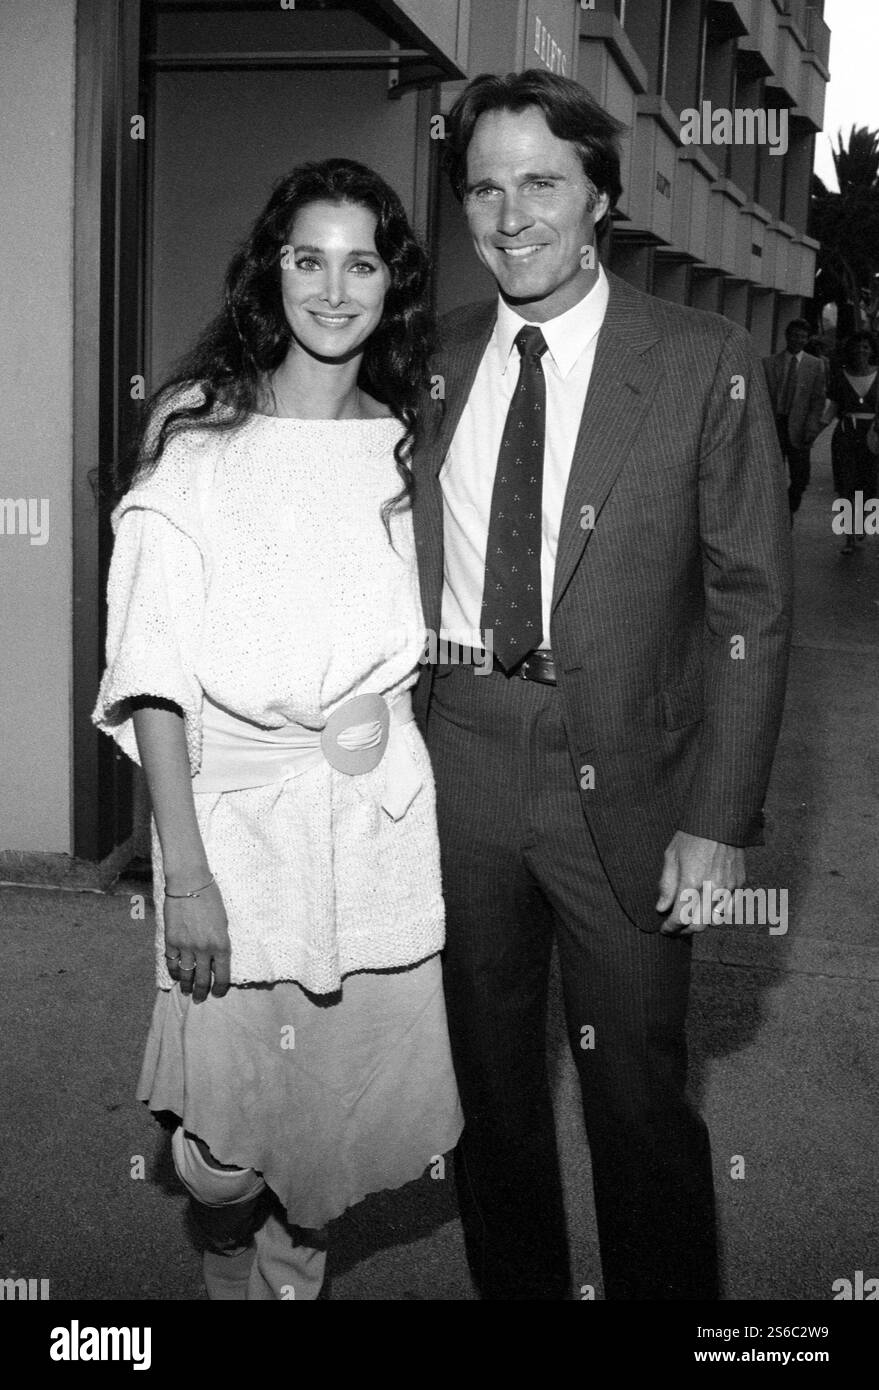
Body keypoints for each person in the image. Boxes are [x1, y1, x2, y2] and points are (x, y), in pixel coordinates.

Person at [411, 69, 793, 1301]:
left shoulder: (703, 361)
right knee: (488, 1091)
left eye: (541, 182)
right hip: (459, 752)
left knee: (636, 1093)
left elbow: (752, 603)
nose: (510, 213)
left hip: (629, 776)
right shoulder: (431, 361)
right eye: (484, 186)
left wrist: (721, 818)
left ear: (599, 198)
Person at [92, 158, 462, 1301]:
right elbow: (150, 673)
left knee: (327, 1132)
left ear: (391, 286)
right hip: (235, 840)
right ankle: (236, 1252)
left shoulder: (410, 447)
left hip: (373, 834)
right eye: (310, 259)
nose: (335, 289)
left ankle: (286, 1288)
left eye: (363, 264)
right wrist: (185, 875)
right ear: (274, 270)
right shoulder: (201, 438)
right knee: (218, 1159)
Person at [763, 318, 827, 521]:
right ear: (787, 336)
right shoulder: (769, 363)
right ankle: (778, 515)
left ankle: (790, 505)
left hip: (799, 427)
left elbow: (818, 399)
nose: (799, 340)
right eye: (795, 335)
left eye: (803, 337)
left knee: (801, 477)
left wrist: (812, 426)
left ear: (807, 339)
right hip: (775, 424)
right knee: (773, 474)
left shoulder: (815, 365)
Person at [824, 331, 879, 553]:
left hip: (873, 435)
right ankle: (849, 538)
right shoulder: (841, 376)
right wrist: (813, 430)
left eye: (866, 347)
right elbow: (832, 408)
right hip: (846, 435)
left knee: (870, 485)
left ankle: (863, 522)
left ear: (872, 350)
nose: (861, 351)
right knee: (847, 485)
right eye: (857, 347)